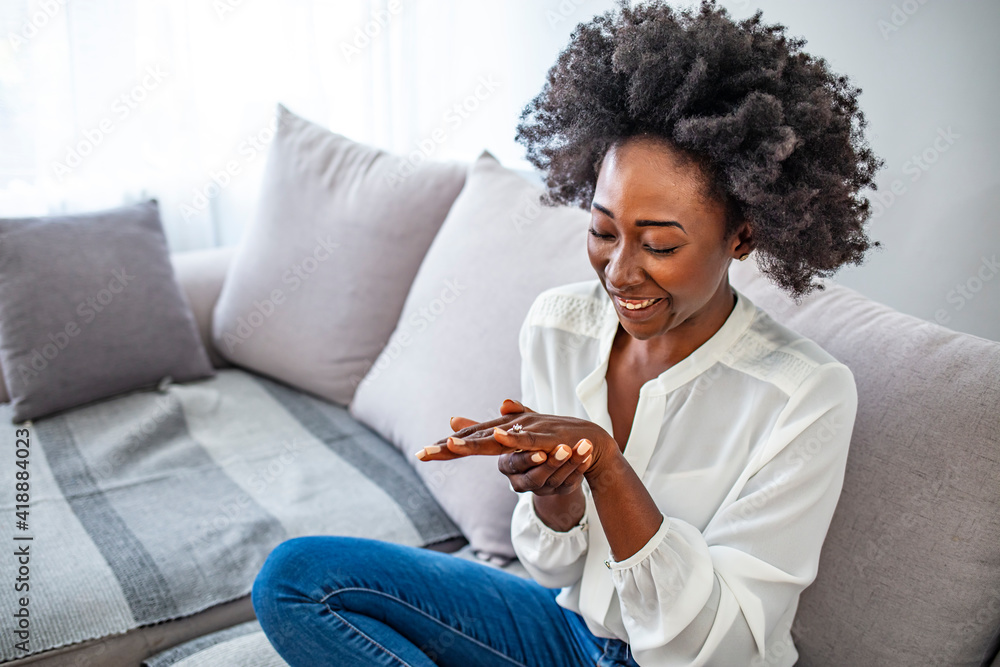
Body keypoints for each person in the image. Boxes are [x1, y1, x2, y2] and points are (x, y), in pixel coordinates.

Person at [251, 0, 883, 665]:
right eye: (603, 231)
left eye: (661, 246)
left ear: (743, 236)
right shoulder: (559, 324)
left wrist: (607, 468)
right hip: (571, 636)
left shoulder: (803, 394)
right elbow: (555, 570)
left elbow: (715, 646)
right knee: (297, 580)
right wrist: (557, 502)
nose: (620, 272)